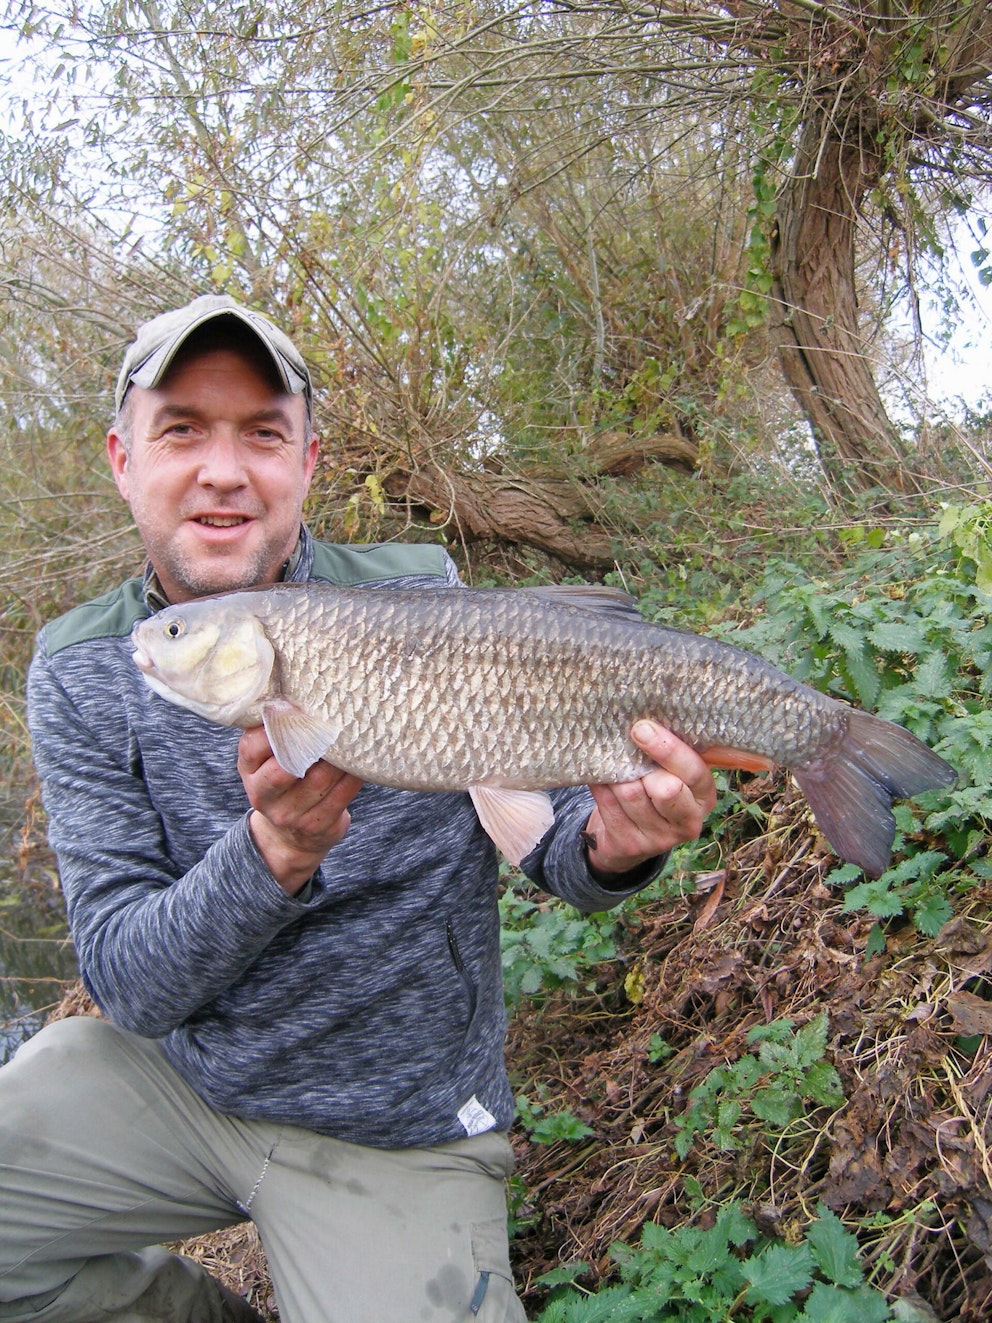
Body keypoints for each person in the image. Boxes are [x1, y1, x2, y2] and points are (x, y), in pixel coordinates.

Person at [0, 294, 717, 1323]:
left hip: (399, 1124)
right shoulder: (81, 669)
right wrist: (272, 852)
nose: (222, 470)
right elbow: (127, 984)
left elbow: (549, 842)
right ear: (123, 460)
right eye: (182, 431)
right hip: (183, 1086)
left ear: (308, 462)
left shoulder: (423, 601)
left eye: (261, 433)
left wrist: (615, 845)